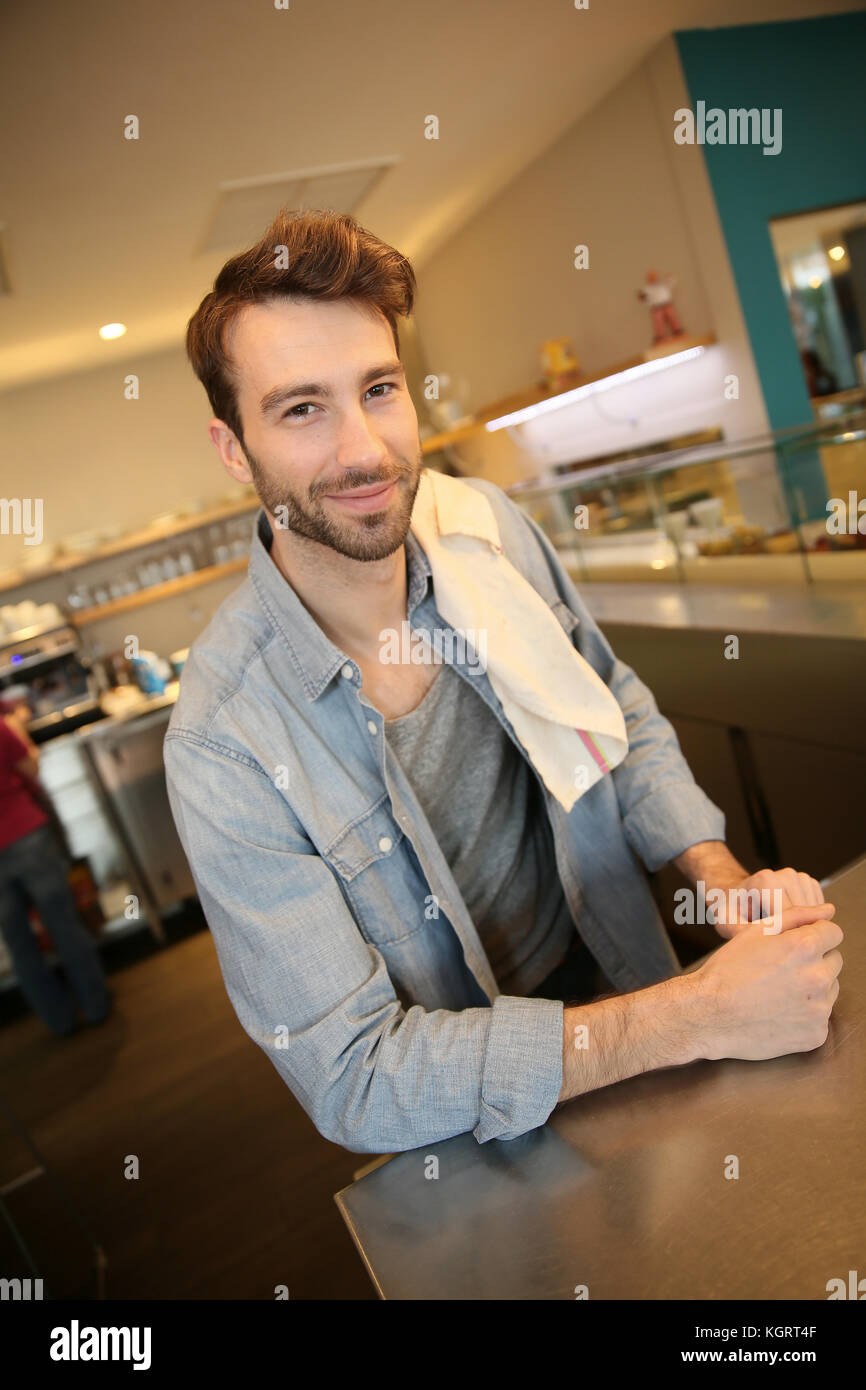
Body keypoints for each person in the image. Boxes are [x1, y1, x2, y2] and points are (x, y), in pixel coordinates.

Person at [163, 208, 842, 1154]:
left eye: (380, 388)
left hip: (624, 966)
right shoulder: (221, 744)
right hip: (481, 1126)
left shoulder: (481, 527)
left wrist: (713, 876)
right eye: (301, 408)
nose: (364, 450)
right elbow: (354, 1080)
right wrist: (693, 1016)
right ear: (234, 448)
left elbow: (615, 707)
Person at [0, 703, 111, 1036]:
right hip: (25, 834)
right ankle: (96, 1006)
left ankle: (58, 1021)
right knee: (62, 923)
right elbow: (30, 768)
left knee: (18, 943)